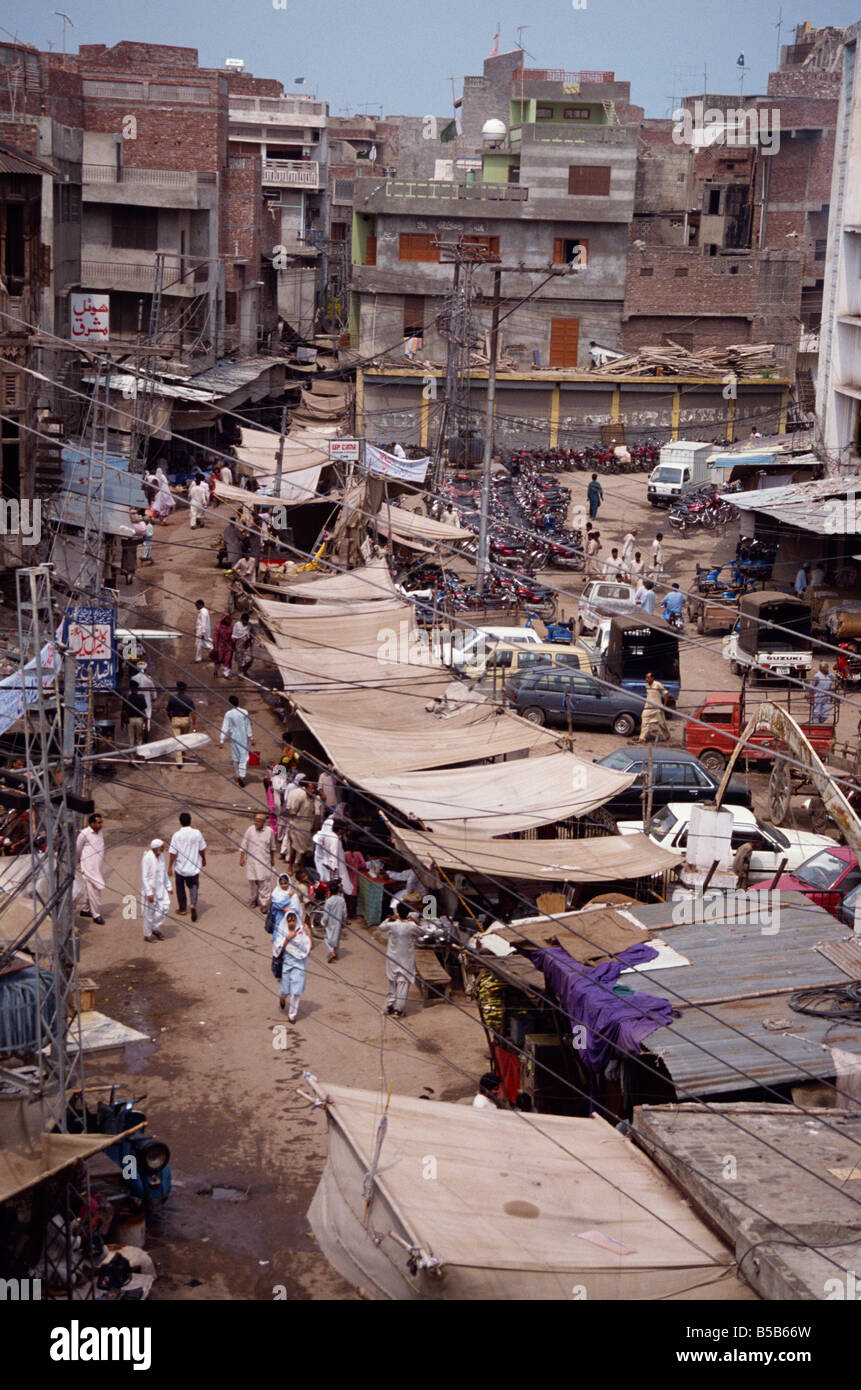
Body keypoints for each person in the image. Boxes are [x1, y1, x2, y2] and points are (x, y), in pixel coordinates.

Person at [379, 900, 425, 1018]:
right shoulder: (411, 926)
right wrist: (416, 921)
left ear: (397, 912)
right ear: (408, 913)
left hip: (393, 958)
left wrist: (390, 918)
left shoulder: (392, 925)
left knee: (392, 982)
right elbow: (423, 931)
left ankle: (390, 1005)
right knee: (403, 984)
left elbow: (381, 927)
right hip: (406, 960)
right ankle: (398, 1010)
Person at [273, 910, 312, 1022]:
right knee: (286, 990)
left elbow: (309, 947)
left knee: (295, 992)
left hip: (299, 965)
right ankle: (282, 997)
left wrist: (309, 933)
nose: (291, 923)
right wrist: (288, 938)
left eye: (293, 920)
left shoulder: (301, 931)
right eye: (289, 920)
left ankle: (292, 1014)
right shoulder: (282, 932)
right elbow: (278, 950)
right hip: (287, 964)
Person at [168, 811, 207, 922]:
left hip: (180, 868)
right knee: (193, 886)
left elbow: (172, 853)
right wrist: (203, 859)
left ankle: (182, 909)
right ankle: (193, 904)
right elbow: (202, 848)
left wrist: (170, 866)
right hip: (194, 868)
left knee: (180, 889)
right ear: (190, 821)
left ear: (180, 822)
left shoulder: (176, 835)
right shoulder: (197, 833)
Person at [239, 811, 276, 913]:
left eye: (259, 821)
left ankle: (264, 904)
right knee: (252, 882)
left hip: (264, 861)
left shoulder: (269, 831)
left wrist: (272, 859)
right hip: (251, 862)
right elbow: (244, 844)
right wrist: (242, 858)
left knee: (264, 882)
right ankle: (254, 899)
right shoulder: (250, 830)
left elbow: (272, 847)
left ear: (264, 822)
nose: (256, 823)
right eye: (255, 820)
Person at [281, 779, 317, 871]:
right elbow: (292, 811)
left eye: (313, 789)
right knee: (294, 848)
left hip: (307, 828)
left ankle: (302, 868)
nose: (312, 791)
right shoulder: (301, 797)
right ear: (307, 788)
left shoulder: (313, 799)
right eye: (311, 788)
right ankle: (290, 867)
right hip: (297, 826)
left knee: (304, 851)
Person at [76, 812, 106, 923]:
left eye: (101, 822)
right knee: (95, 891)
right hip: (89, 868)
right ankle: (96, 914)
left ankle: (85, 910)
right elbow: (78, 849)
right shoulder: (84, 834)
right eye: (99, 822)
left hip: (97, 866)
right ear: (92, 823)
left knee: (90, 891)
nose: (101, 824)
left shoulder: (99, 832)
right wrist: (80, 861)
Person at [313, 815, 351, 895]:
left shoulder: (327, 835)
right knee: (335, 885)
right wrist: (335, 871)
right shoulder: (334, 839)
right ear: (340, 829)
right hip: (332, 867)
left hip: (326, 864)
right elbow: (333, 855)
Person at [141, 838, 170, 942]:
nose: (164, 848)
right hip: (150, 890)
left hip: (161, 888)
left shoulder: (161, 856)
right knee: (148, 914)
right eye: (162, 846)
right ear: (156, 848)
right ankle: (147, 935)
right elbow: (144, 877)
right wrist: (149, 893)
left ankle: (155, 927)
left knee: (165, 908)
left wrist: (169, 886)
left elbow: (164, 872)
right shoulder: (147, 858)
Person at [220, 695, 254, 785]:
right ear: (238, 702)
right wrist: (251, 738)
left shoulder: (228, 714)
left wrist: (222, 740)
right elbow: (248, 726)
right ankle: (241, 775)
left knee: (236, 758)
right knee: (244, 757)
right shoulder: (244, 712)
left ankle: (237, 775)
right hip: (243, 738)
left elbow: (225, 727)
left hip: (234, 738)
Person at [165, 681, 197, 767]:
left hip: (175, 719)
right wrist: (194, 724)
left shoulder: (172, 698)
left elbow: (168, 711)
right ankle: (183, 755)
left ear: (177, 689)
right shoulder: (189, 699)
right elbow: (192, 713)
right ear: (185, 689)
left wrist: (171, 719)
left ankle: (179, 761)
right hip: (186, 720)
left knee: (177, 740)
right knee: (184, 739)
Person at [639, 671, 670, 744]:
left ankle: (667, 735)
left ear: (652, 678)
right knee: (644, 721)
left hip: (657, 708)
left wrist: (664, 705)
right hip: (648, 707)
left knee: (661, 723)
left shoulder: (657, 684)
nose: (646, 679)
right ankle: (642, 738)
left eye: (648, 678)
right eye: (646, 677)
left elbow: (666, 693)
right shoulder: (647, 685)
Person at [321, 879, 347, 963]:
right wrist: (344, 921)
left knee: (327, 937)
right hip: (338, 921)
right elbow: (344, 912)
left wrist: (324, 923)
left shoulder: (328, 901)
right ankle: (336, 953)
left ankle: (331, 952)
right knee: (337, 937)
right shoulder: (342, 900)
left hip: (330, 922)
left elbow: (326, 915)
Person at [343, 837, 368, 917]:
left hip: (347, 875)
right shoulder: (358, 854)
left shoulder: (345, 854)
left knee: (346, 893)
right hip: (355, 875)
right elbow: (364, 864)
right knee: (353, 894)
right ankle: (351, 912)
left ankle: (346, 911)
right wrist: (357, 866)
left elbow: (342, 864)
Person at [123, 685, 148, 757]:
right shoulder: (141, 697)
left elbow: (124, 711)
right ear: (137, 690)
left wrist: (124, 721)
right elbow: (144, 712)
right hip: (139, 720)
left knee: (131, 740)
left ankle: (132, 758)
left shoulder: (128, 698)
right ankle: (138, 757)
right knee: (139, 740)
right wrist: (146, 724)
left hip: (130, 720)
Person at [130, 665, 155, 732]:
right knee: (147, 715)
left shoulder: (133, 678)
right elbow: (153, 690)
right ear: (146, 669)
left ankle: (137, 731)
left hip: (136, 700)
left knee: (137, 715)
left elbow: (130, 690)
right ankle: (146, 730)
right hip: (147, 701)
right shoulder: (149, 678)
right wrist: (154, 697)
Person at [211, 613, 235, 679]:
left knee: (228, 660)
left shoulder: (232, 626)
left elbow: (234, 635)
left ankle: (226, 674)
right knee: (219, 659)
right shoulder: (218, 626)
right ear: (224, 619)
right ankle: (216, 671)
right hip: (220, 646)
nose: (229, 620)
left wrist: (234, 643)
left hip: (229, 646)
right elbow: (215, 637)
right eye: (227, 619)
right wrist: (215, 646)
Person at [231, 611, 254, 677]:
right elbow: (234, 635)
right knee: (240, 659)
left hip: (247, 644)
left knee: (250, 659)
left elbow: (253, 634)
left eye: (247, 621)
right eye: (244, 621)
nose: (245, 622)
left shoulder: (250, 625)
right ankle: (240, 673)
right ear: (241, 619)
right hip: (239, 643)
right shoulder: (237, 624)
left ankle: (244, 670)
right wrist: (234, 645)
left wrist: (248, 637)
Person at [194, 599, 212, 664]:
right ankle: (198, 658)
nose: (196, 607)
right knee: (199, 644)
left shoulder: (203, 612)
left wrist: (203, 633)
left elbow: (203, 623)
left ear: (200, 605)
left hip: (202, 631)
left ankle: (215, 655)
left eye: (197, 606)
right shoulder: (202, 611)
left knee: (207, 645)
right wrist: (196, 628)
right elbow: (200, 622)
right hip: (200, 631)